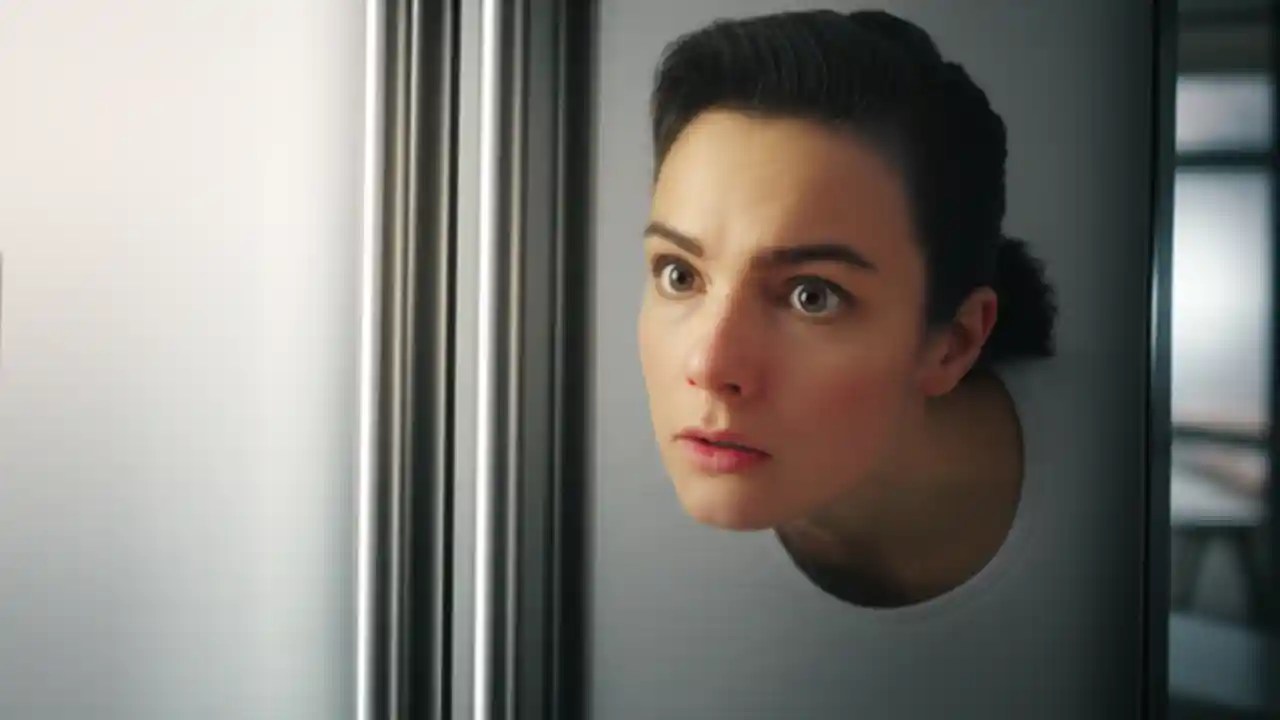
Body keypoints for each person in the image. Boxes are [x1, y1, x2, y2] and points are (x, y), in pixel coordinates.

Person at [636, 9, 1056, 608]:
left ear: (954, 342)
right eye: (680, 275)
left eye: (813, 296)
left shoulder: (1122, 497)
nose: (709, 364)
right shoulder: (606, 549)